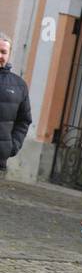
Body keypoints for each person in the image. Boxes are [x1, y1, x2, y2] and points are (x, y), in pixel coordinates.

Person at [0, 32, 32, 174]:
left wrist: (12, 146)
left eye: (3, 52)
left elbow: (24, 120)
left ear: (9, 54)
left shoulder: (19, 86)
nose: (0, 55)